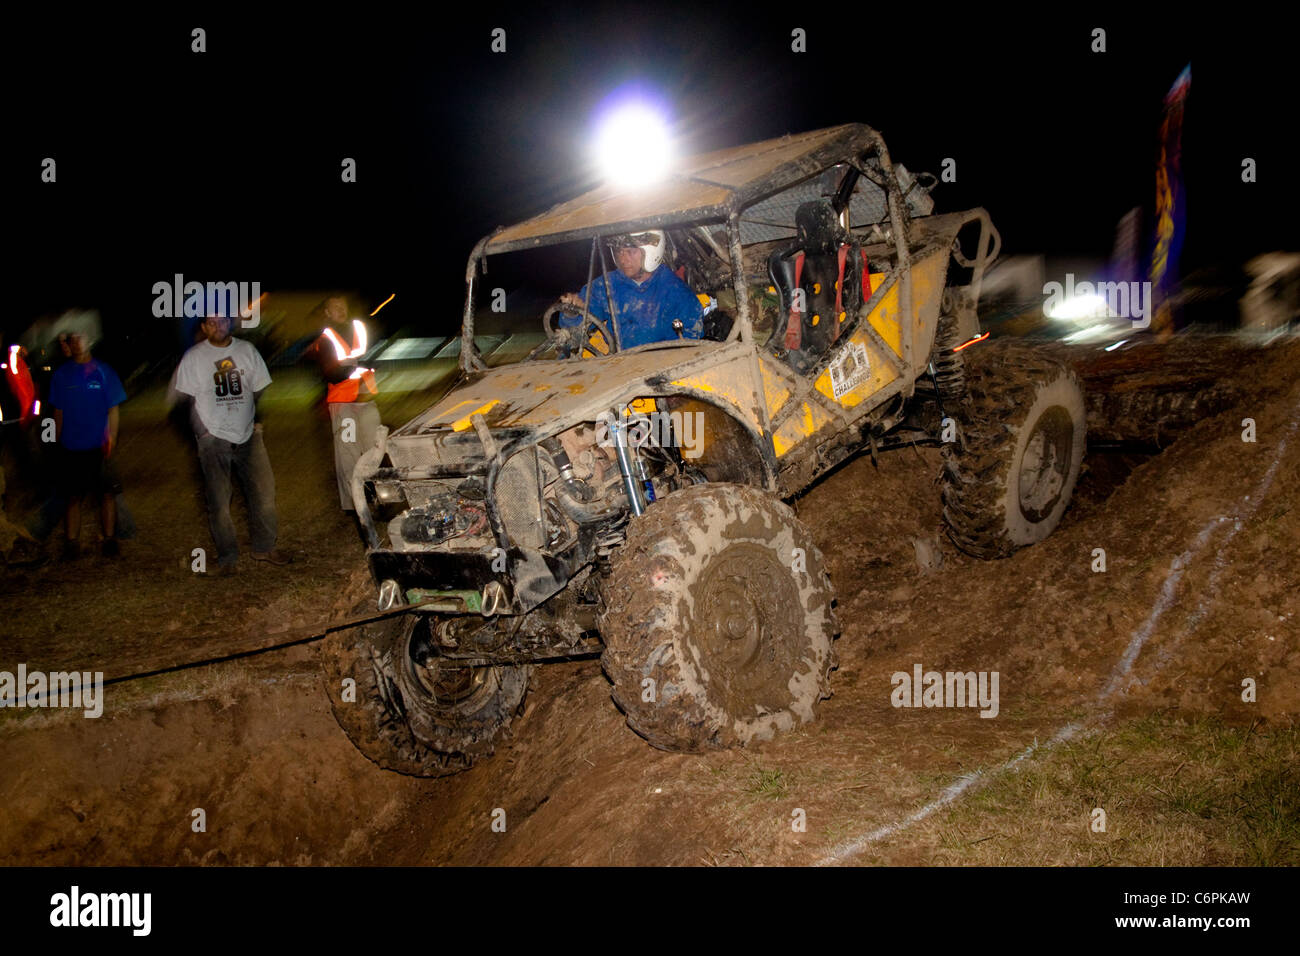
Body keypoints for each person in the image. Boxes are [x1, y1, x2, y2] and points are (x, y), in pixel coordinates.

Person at [171, 304, 291, 572]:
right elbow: (183, 403)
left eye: (222, 320)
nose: (218, 325)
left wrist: (258, 420)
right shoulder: (194, 358)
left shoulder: (247, 351)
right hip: (213, 439)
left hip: (248, 436)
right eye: (211, 322)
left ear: (230, 323)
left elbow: (258, 390)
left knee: (264, 494)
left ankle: (264, 548)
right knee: (219, 503)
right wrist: (200, 434)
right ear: (204, 327)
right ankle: (227, 558)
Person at [48, 322, 126, 559]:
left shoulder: (103, 371)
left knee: (106, 494)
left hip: (99, 445)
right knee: (73, 496)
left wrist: (111, 436)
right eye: (72, 339)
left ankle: (109, 539)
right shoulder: (61, 375)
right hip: (72, 445)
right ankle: (71, 543)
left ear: (89, 341)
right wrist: (56, 440)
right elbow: (57, 411)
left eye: (80, 338)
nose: (76, 343)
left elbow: (113, 408)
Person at [559, 230, 704, 349]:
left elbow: (686, 349)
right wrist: (572, 314)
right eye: (619, 252)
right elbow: (577, 327)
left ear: (652, 252)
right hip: (615, 362)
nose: (623, 259)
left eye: (631, 251)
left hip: (656, 370)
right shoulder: (606, 285)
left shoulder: (677, 294)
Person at [302, 295, 380, 513]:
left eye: (342, 306)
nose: (340, 310)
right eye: (334, 307)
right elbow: (332, 373)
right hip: (343, 405)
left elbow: (372, 356)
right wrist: (360, 367)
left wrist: (356, 366)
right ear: (327, 312)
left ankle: (375, 492)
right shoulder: (325, 338)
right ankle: (354, 503)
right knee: (349, 453)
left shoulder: (359, 328)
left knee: (374, 448)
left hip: (366, 400)